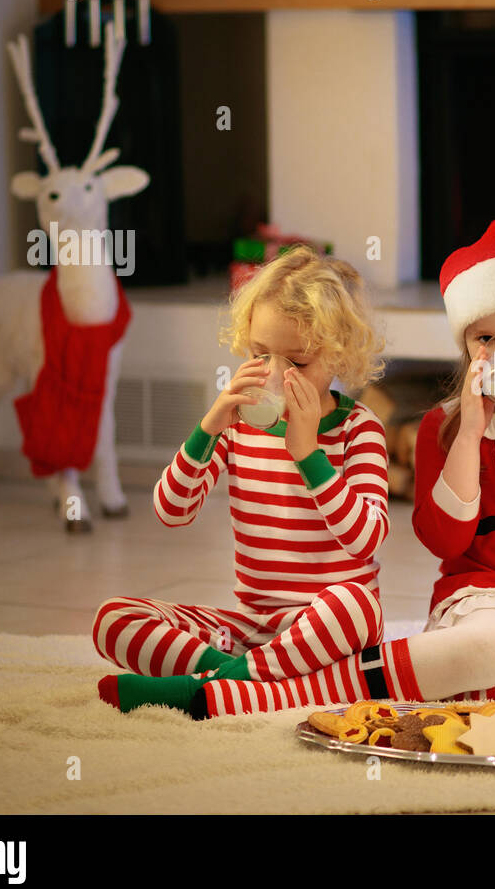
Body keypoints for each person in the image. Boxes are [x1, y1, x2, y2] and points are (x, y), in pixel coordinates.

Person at [194, 218, 495, 719]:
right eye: (485, 338)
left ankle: (480, 688)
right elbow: (445, 541)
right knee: (484, 648)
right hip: (487, 597)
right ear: (467, 346)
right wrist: (470, 432)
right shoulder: (440, 426)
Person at [93, 246, 389, 714]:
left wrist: (309, 455)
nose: (275, 374)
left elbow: (366, 539)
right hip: (249, 630)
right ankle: (245, 677)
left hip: (327, 631)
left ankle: (206, 686)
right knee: (115, 619)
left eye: (297, 362)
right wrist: (209, 425)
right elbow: (172, 511)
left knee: (357, 608)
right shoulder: (238, 425)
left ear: (339, 357)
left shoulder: (359, 428)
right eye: (259, 354)